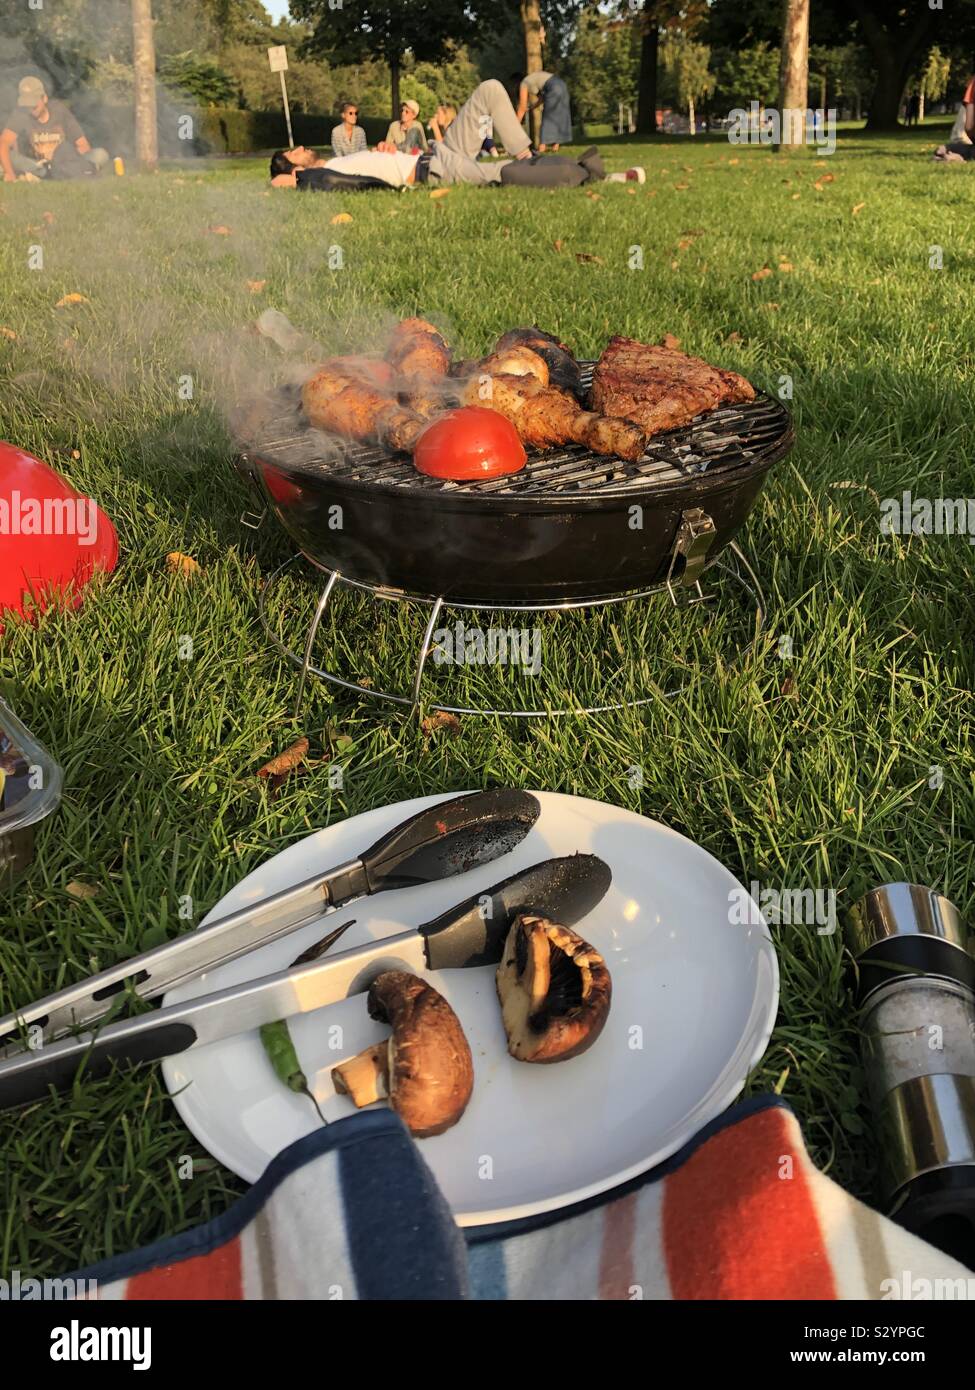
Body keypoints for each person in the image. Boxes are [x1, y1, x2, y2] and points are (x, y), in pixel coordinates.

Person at [0, 76, 109, 182]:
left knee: (100, 154)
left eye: (34, 105)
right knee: (10, 158)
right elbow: (3, 143)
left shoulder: (59, 110)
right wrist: (10, 174)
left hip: (64, 162)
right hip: (38, 166)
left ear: (44, 98)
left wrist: (71, 159)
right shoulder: (21, 114)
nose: (30, 109)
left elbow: (83, 144)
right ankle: (54, 173)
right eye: (27, 105)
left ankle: (60, 172)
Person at [513, 70, 574, 153]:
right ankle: (555, 147)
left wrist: (515, 125)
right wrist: (533, 107)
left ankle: (542, 148)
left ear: (517, 82)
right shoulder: (532, 79)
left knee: (548, 118)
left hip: (553, 87)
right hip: (562, 85)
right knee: (559, 116)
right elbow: (542, 98)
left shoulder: (524, 83)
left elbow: (522, 107)